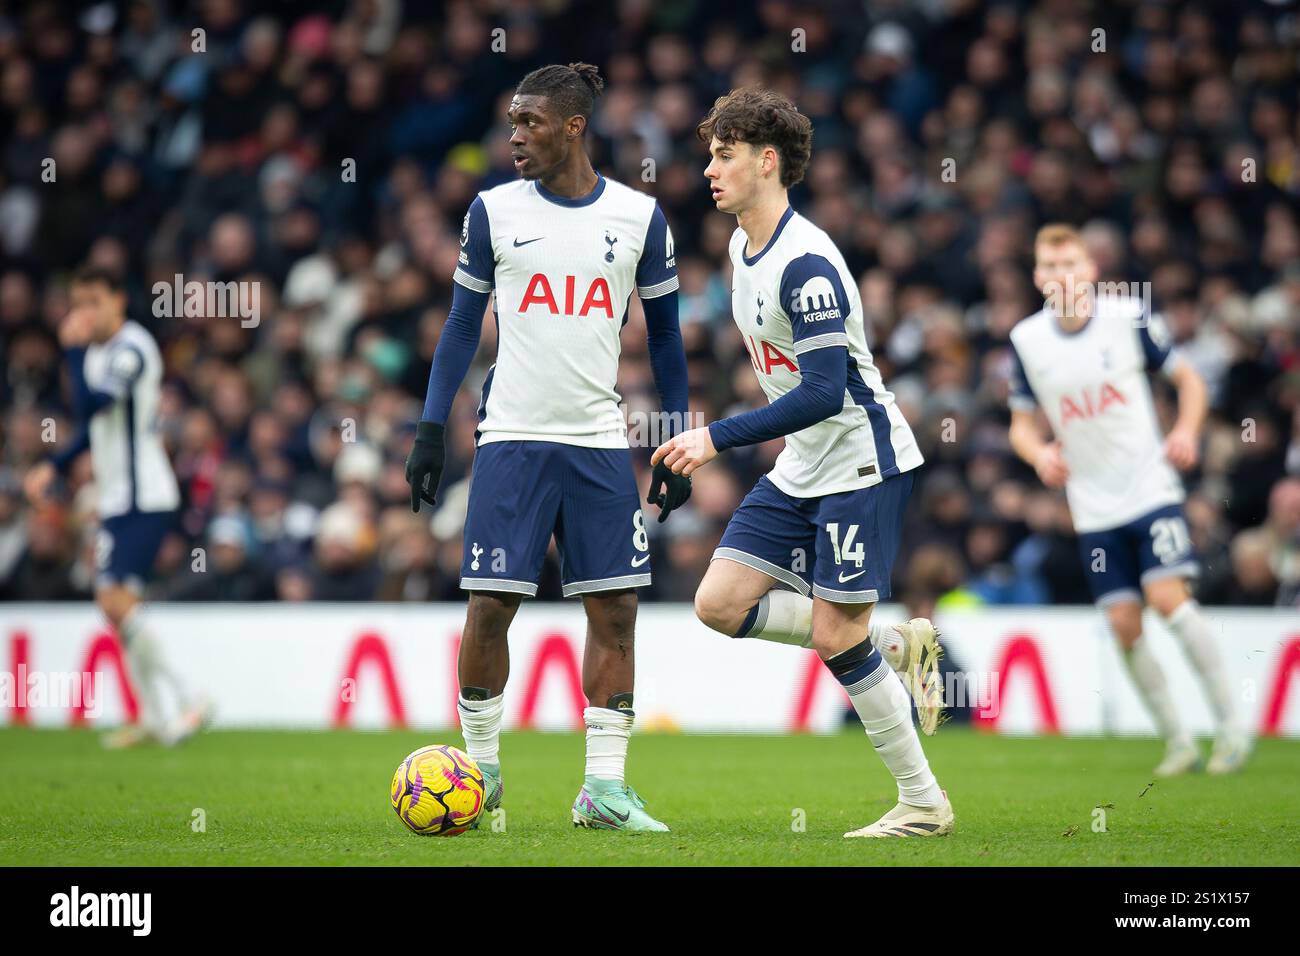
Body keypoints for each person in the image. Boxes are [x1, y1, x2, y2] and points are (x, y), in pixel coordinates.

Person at [653, 89, 951, 838]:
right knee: (719, 603)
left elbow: (822, 392)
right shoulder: (737, 249)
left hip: (860, 461)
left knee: (832, 637)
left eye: (724, 155)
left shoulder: (807, 264)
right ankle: (891, 642)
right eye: (709, 154)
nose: (709, 169)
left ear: (767, 161)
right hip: (802, 465)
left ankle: (922, 803)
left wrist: (716, 437)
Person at [405, 63, 691, 832]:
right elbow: (463, 325)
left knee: (618, 611)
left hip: (599, 442)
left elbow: (663, 334)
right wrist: (431, 429)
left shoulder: (640, 218)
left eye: (530, 122)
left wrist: (678, 435)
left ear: (573, 125)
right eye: (511, 123)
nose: (515, 137)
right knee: (492, 606)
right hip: (513, 440)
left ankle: (603, 790)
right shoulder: (492, 212)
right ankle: (480, 771)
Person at [1007, 224, 1248, 776]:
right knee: (1123, 624)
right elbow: (1020, 425)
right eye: (1050, 266)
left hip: (1149, 488)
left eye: (1071, 264)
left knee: (1167, 600)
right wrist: (1040, 454)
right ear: (1038, 277)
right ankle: (1179, 741)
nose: (1061, 275)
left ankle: (1232, 726)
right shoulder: (1027, 341)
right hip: (1092, 506)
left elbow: (1190, 381)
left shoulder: (1127, 318)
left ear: (1090, 269)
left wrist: (1186, 432)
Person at [24, 267, 210, 747]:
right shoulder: (97, 354)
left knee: (116, 601)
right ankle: (150, 716)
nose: (84, 313)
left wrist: (67, 349)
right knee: (112, 604)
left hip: (145, 494)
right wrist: (56, 464)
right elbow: (94, 428)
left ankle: (193, 697)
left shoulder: (132, 348)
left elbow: (93, 406)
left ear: (116, 302)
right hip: (116, 497)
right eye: (77, 303)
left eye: (93, 302)